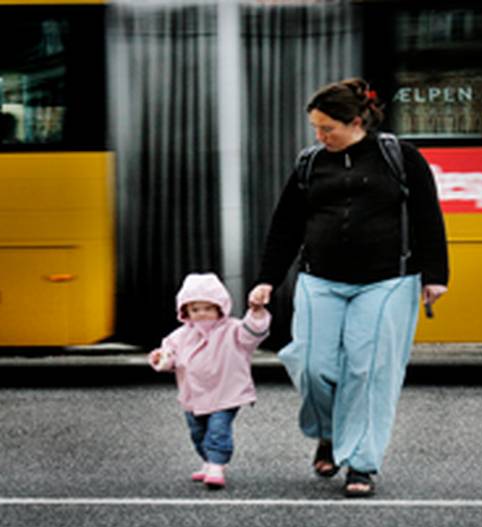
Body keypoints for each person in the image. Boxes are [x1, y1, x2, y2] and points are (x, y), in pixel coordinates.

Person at [248, 78, 449, 498]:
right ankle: (330, 431)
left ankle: (360, 462)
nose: (320, 136)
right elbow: (286, 225)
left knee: (368, 372)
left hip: (387, 282)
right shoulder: (310, 163)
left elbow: (427, 215)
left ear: (356, 122)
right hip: (319, 279)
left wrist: (435, 275)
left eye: (328, 128)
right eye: (315, 128)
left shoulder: (400, 157)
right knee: (311, 364)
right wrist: (267, 279)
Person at [150, 272, 271, 489]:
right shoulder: (179, 336)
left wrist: (256, 313)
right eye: (195, 309)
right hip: (193, 395)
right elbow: (170, 356)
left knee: (218, 429)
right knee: (198, 432)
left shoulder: (234, 330)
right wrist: (162, 359)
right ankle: (207, 461)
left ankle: (217, 464)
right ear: (185, 311)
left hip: (226, 392)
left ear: (220, 308)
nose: (202, 314)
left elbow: (254, 332)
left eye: (208, 308)